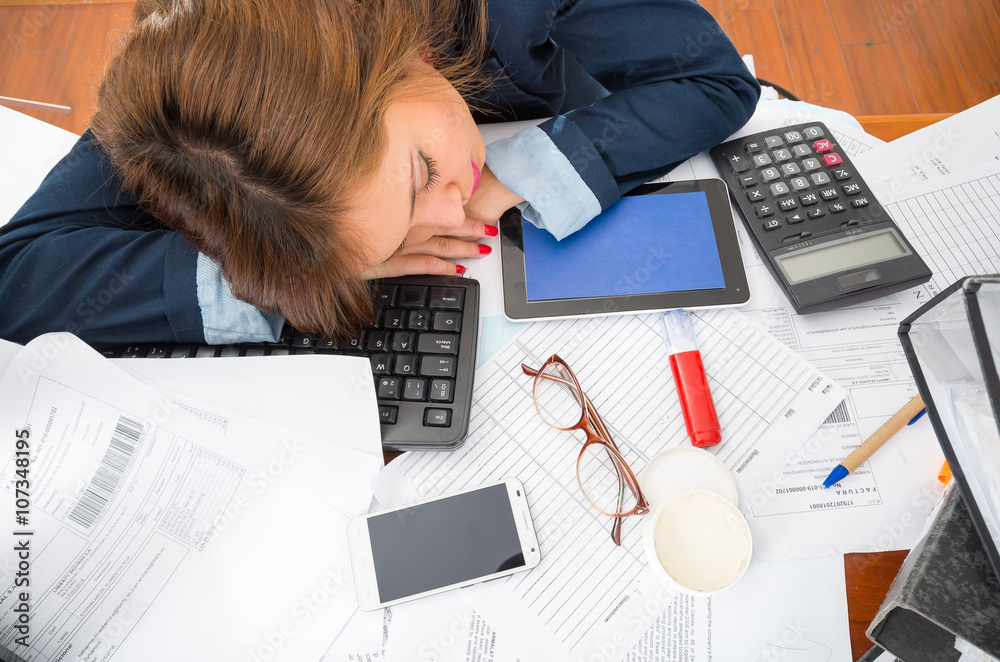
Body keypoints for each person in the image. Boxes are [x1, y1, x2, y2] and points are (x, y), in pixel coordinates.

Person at [0, 0, 759, 346]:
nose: (452, 210)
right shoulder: (188, 86)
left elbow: (715, 80)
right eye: (404, 231)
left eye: (425, 171)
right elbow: (16, 284)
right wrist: (314, 266)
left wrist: (513, 174)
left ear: (401, 54)